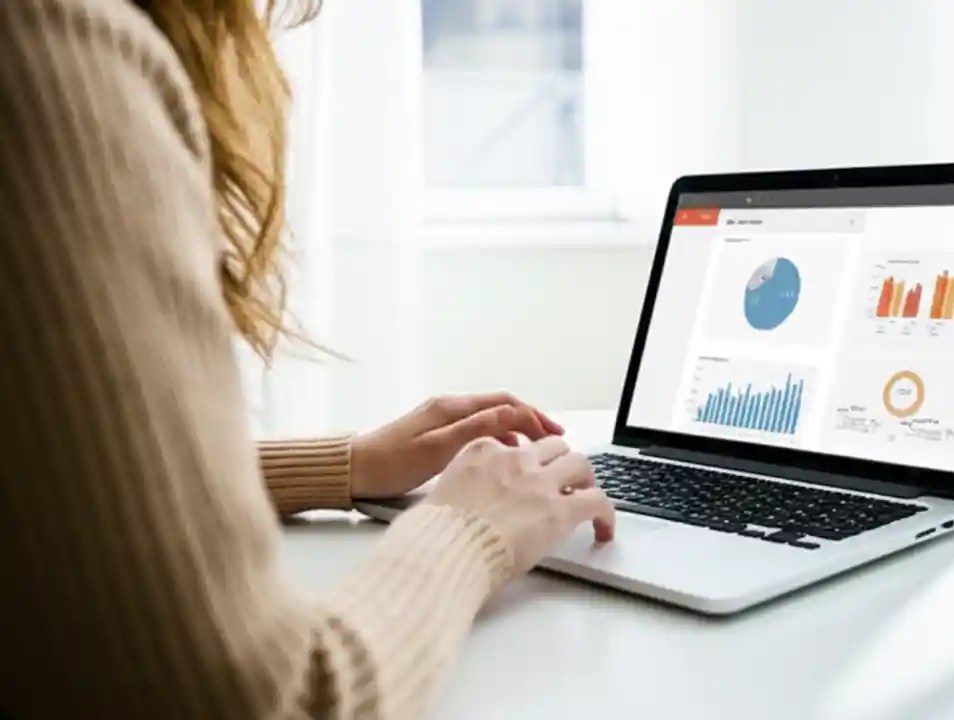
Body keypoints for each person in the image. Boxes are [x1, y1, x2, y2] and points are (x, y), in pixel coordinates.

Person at [0, 0, 616, 716]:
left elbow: (44, 482)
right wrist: (468, 529)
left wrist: (346, 464)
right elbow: (264, 701)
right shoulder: (48, 54)